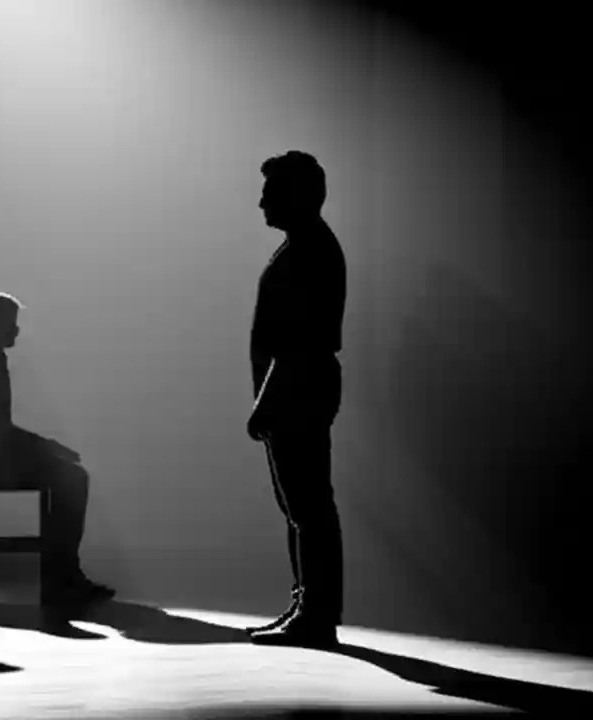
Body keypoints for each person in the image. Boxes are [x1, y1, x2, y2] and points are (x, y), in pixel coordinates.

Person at [0, 291, 114, 606]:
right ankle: (62, 578)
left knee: (63, 474)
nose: (16, 331)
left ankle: (60, 576)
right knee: (72, 479)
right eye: (10, 324)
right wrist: (48, 449)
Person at [244, 150, 347, 648]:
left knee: (308, 507)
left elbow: (299, 340)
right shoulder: (302, 246)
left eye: (271, 189)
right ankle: (307, 605)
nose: (261, 199)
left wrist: (265, 400)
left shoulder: (309, 250)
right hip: (297, 388)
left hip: (298, 390)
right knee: (300, 507)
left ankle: (316, 614)